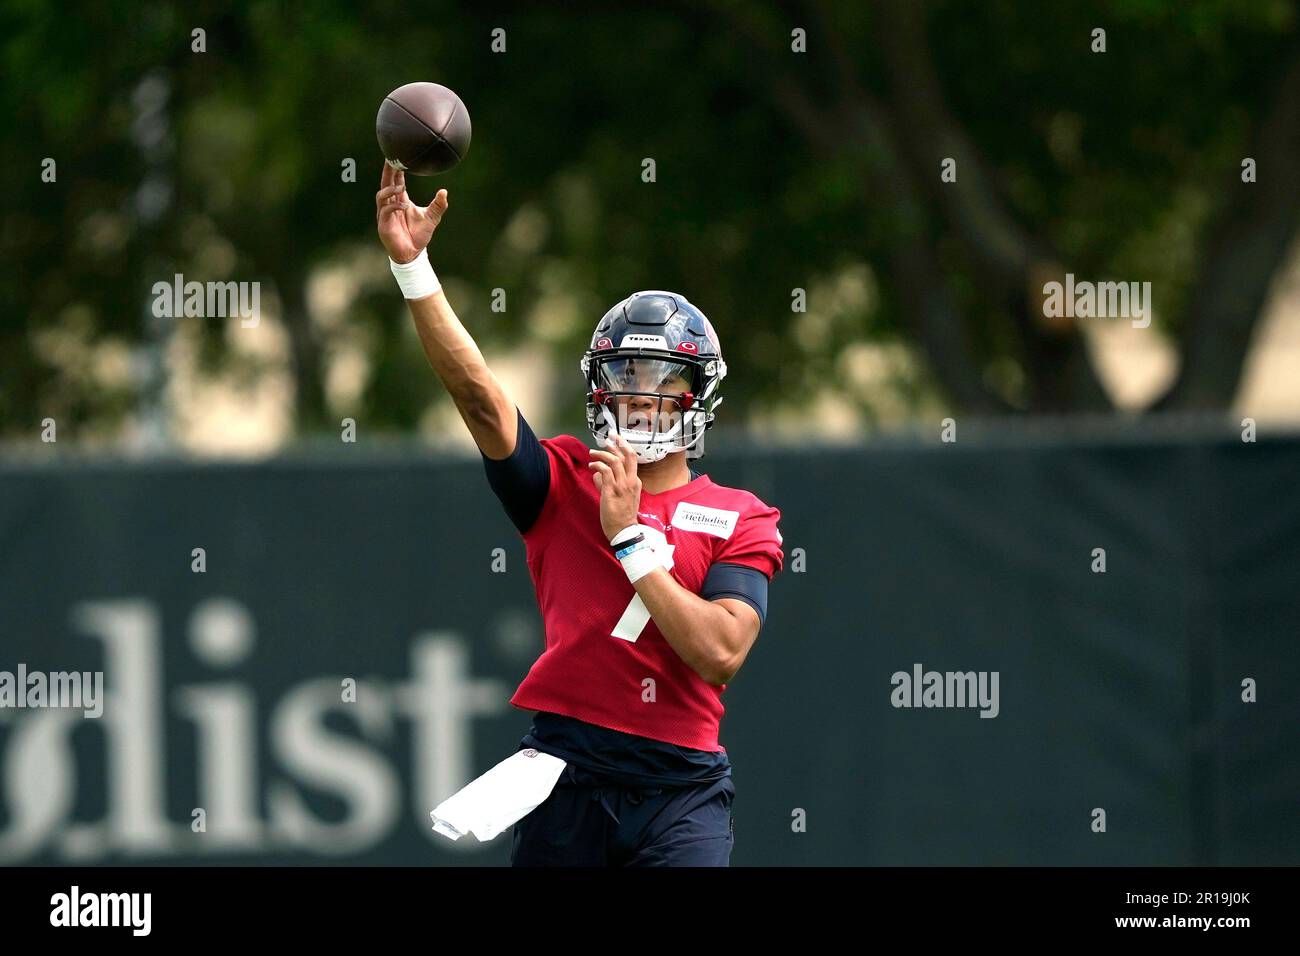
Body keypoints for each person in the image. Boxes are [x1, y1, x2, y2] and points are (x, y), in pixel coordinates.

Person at [375, 164, 783, 866]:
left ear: (699, 395)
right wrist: (413, 268)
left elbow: (719, 654)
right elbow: (477, 396)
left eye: (665, 382)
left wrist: (629, 539)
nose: (641, 397)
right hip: (566, 775)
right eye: (625, 377)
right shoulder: (563, 481)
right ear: (599, 389)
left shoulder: (739, 516)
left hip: (679, 790)